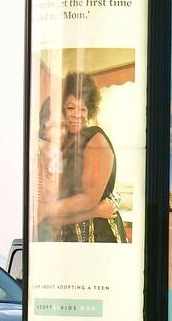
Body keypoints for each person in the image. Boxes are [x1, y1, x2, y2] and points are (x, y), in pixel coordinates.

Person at [37, 72, 128, 244]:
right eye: (71, 108)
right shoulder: (60, 145)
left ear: (90, 111)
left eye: (83, 109)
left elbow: (89, 200)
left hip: (99, 235)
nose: (77, 114)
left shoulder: (96, 138)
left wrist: (47, 210)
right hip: (68, 236)